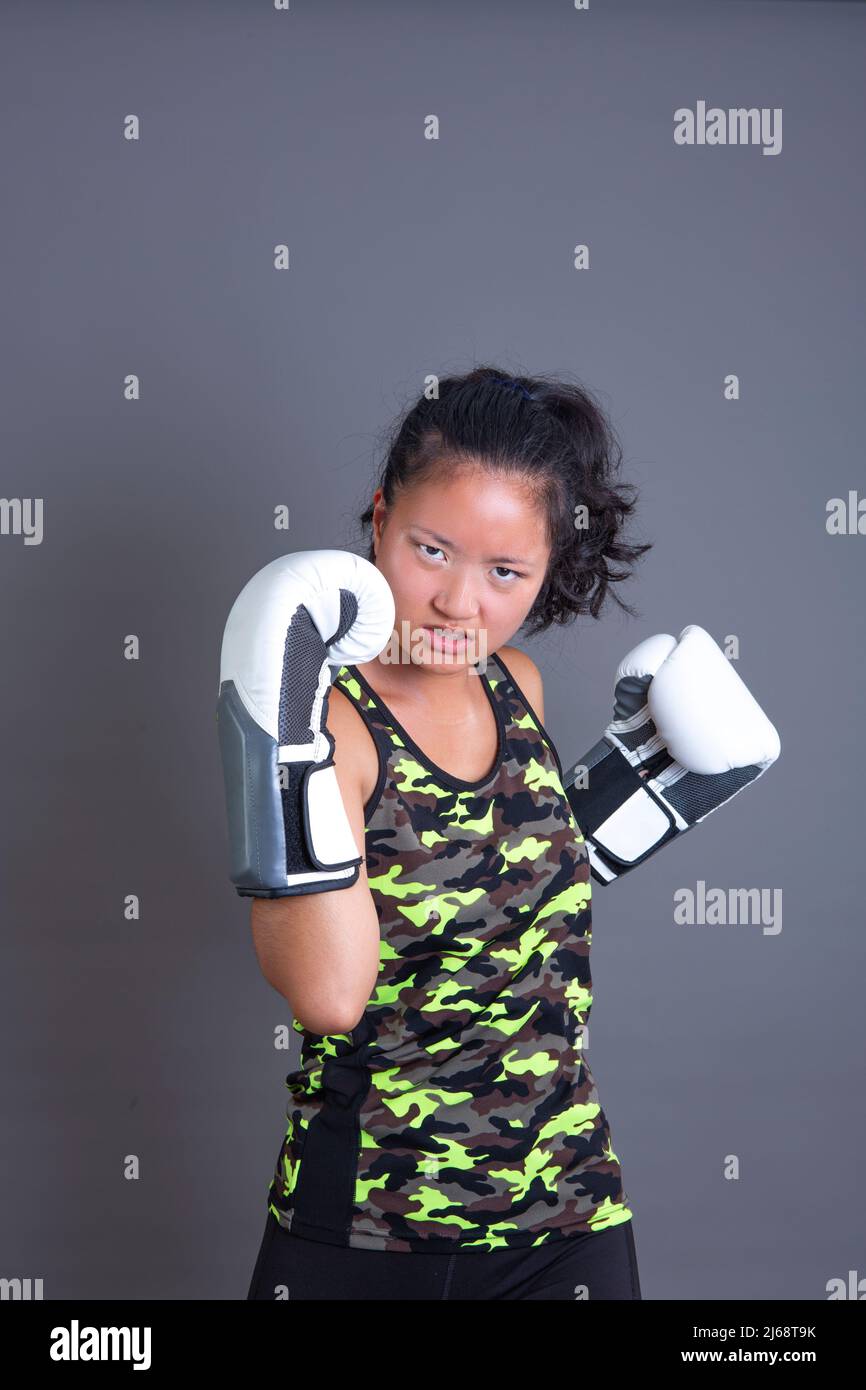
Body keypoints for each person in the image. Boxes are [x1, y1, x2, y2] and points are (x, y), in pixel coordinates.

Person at [245, 364, 652, 1300]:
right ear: (382, 518)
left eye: (506, 571)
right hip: (373, 1224)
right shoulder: (327, 722)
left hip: (570, 1208)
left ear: (548, 570)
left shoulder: (520, 688)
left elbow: (524, 916)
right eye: (432, 550)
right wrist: (274, 750)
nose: (459, 603)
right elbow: (331, 996)